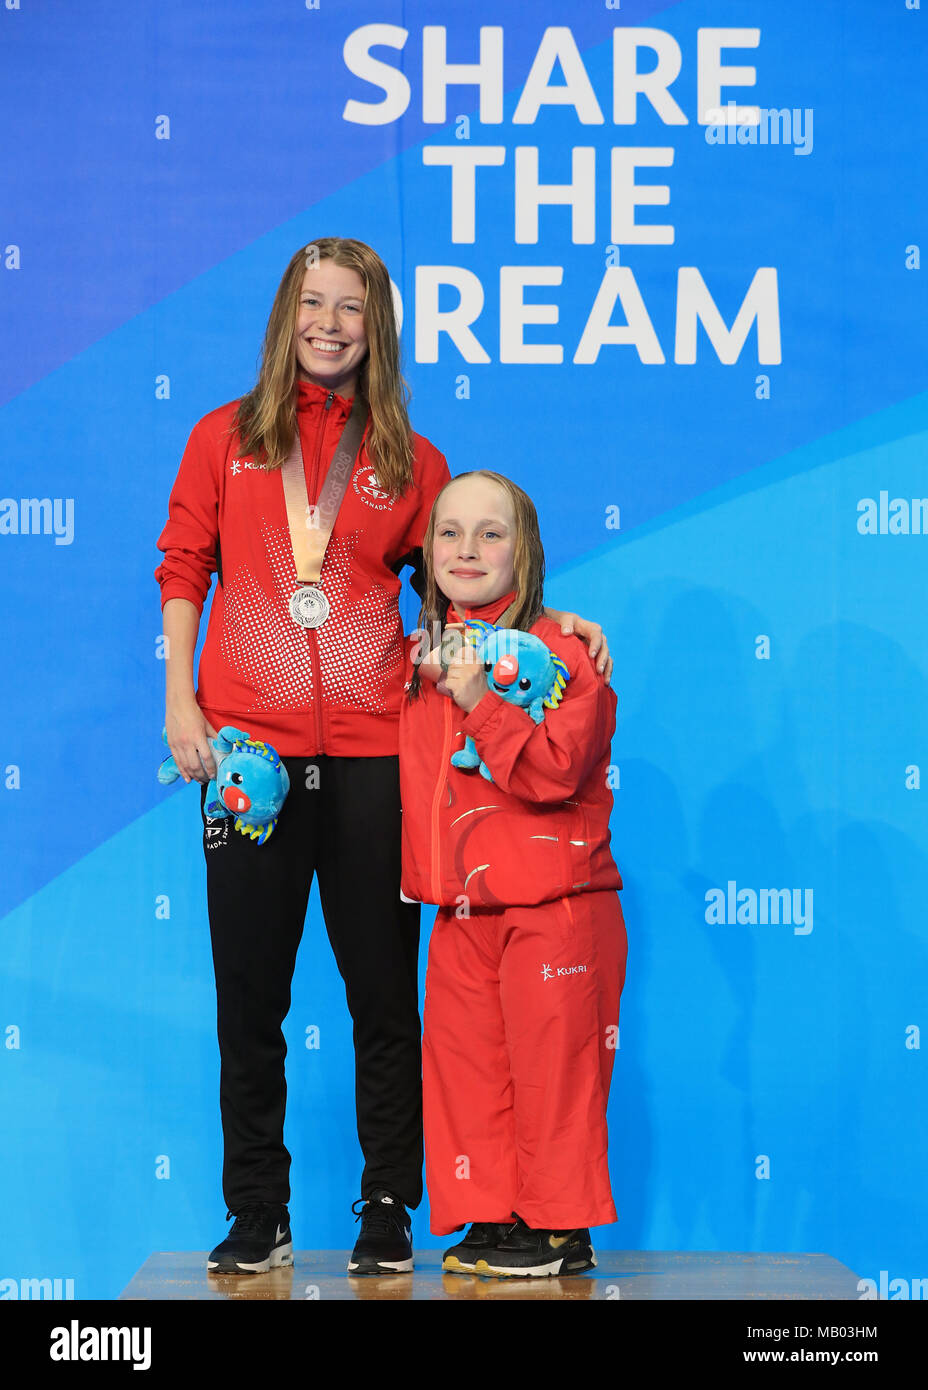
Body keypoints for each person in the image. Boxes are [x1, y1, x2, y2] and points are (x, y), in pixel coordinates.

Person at [154, 237, 613, 1277]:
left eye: (351, 309)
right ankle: (257, 1209)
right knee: (248, 998)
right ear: (286, 315)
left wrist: (551, 629)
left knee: (382, 1000)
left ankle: (388, 1204)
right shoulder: (221, 439)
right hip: (248, 760)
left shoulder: (411, 455)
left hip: (375, 760)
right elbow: (183, 565)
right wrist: (180, 698)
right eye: (313, 304)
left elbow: (464, 591)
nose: (329, 324)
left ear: (378, 326)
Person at [399, 470, 628, 1277]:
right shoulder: (417, 659)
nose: (467, 549)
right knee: (469, 1071)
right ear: (424, 551)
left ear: (523, 550)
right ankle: (495, 1217)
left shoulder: (562, 653)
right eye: (450, 532)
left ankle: (558, 1228)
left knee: (552, 1071)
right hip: (462, 911)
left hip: (556, 906)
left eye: (490, 533)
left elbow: (559, 771)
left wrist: (477, 697)